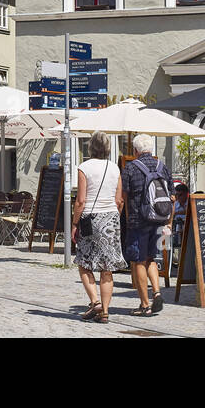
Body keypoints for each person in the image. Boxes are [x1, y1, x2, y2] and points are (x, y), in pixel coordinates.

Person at [72, 132, 126, 324]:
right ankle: (104, 311)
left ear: (90, 147)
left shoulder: (84, 167)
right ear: (108, 148)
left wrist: (74, 224)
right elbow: (119, 200)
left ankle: (94, 301)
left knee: (84, 262)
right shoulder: (115, 168)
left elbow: (81, 200)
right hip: (111, 219)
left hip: (90, 219)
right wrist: (113, 218)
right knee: (107, 267)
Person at [121, 133, 173, 316]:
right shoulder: (162, 166)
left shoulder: (130, 168)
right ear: (151, 149)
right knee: (152, 257)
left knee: (138, 261)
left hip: (138, 221)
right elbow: (172, 195)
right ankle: (157, 292)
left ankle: (144, 304)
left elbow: (123, 196)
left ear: (135, 150)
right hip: (160, 219)